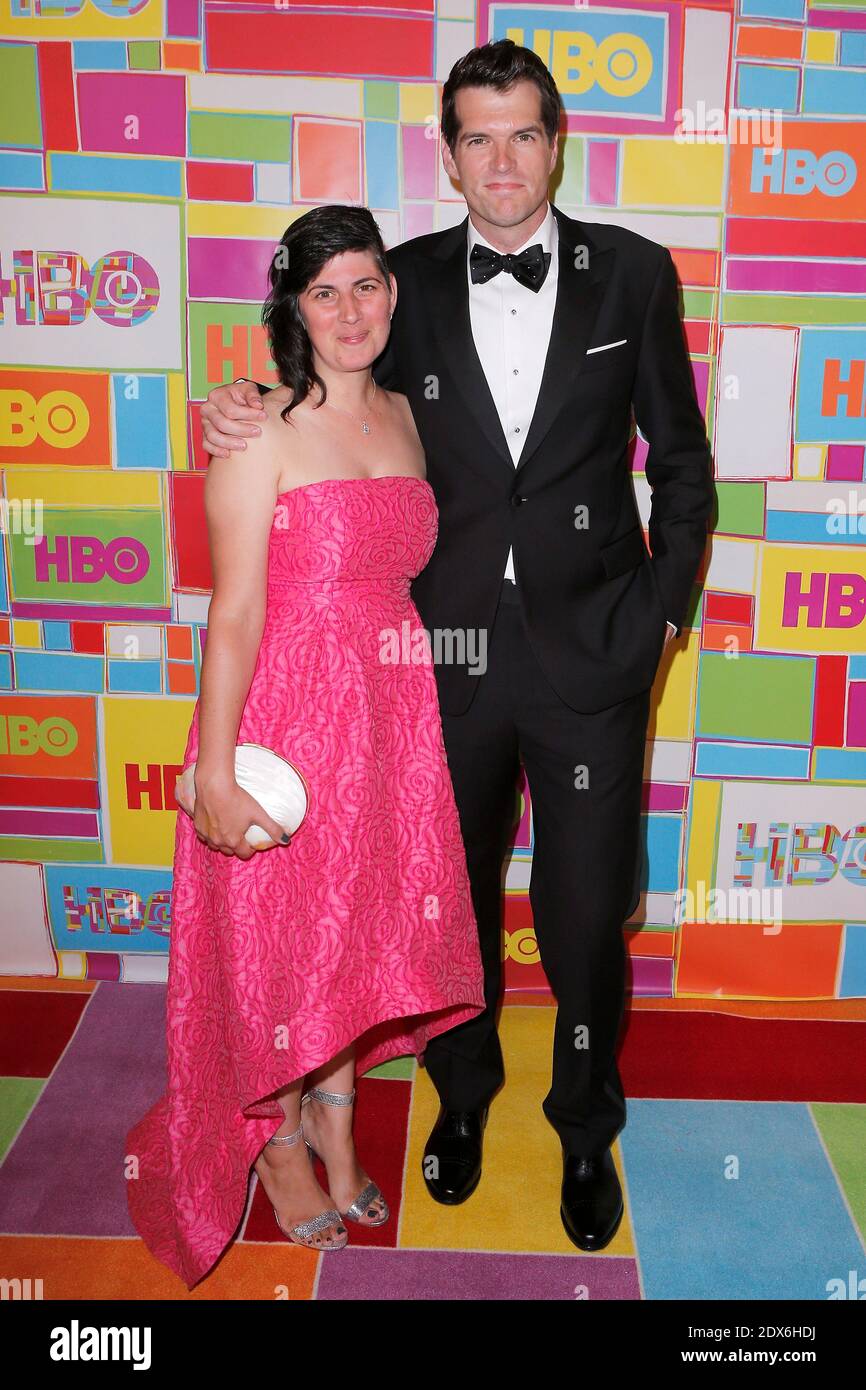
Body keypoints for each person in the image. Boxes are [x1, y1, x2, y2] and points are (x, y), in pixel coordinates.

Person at [200, 39, 715, 1252]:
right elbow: (323, 384)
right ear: (447, 152)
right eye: (474, 137)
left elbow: (682, 467)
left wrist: (660, 618)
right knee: (449, 905)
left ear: (554, 143)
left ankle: (587, 1130)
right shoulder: (404, 281)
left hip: (595, 653)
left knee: (586, 914)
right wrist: (243, 404)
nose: (499, 159)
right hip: (438, 661)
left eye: (521, 134)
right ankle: (462, 1100)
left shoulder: (634, 276)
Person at [125, 203, 486, 1289]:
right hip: (283, 712)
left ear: (392, 293)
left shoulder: (410, 416)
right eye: (323, 291)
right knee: (280, 934)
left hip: (389, 713)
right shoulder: (258, 426)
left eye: (367, 285)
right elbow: (232, 610)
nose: (350, 310)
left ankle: (335, 1107)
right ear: (291, 309)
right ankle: (277, 1135)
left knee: (356, 922)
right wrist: (219, 768)